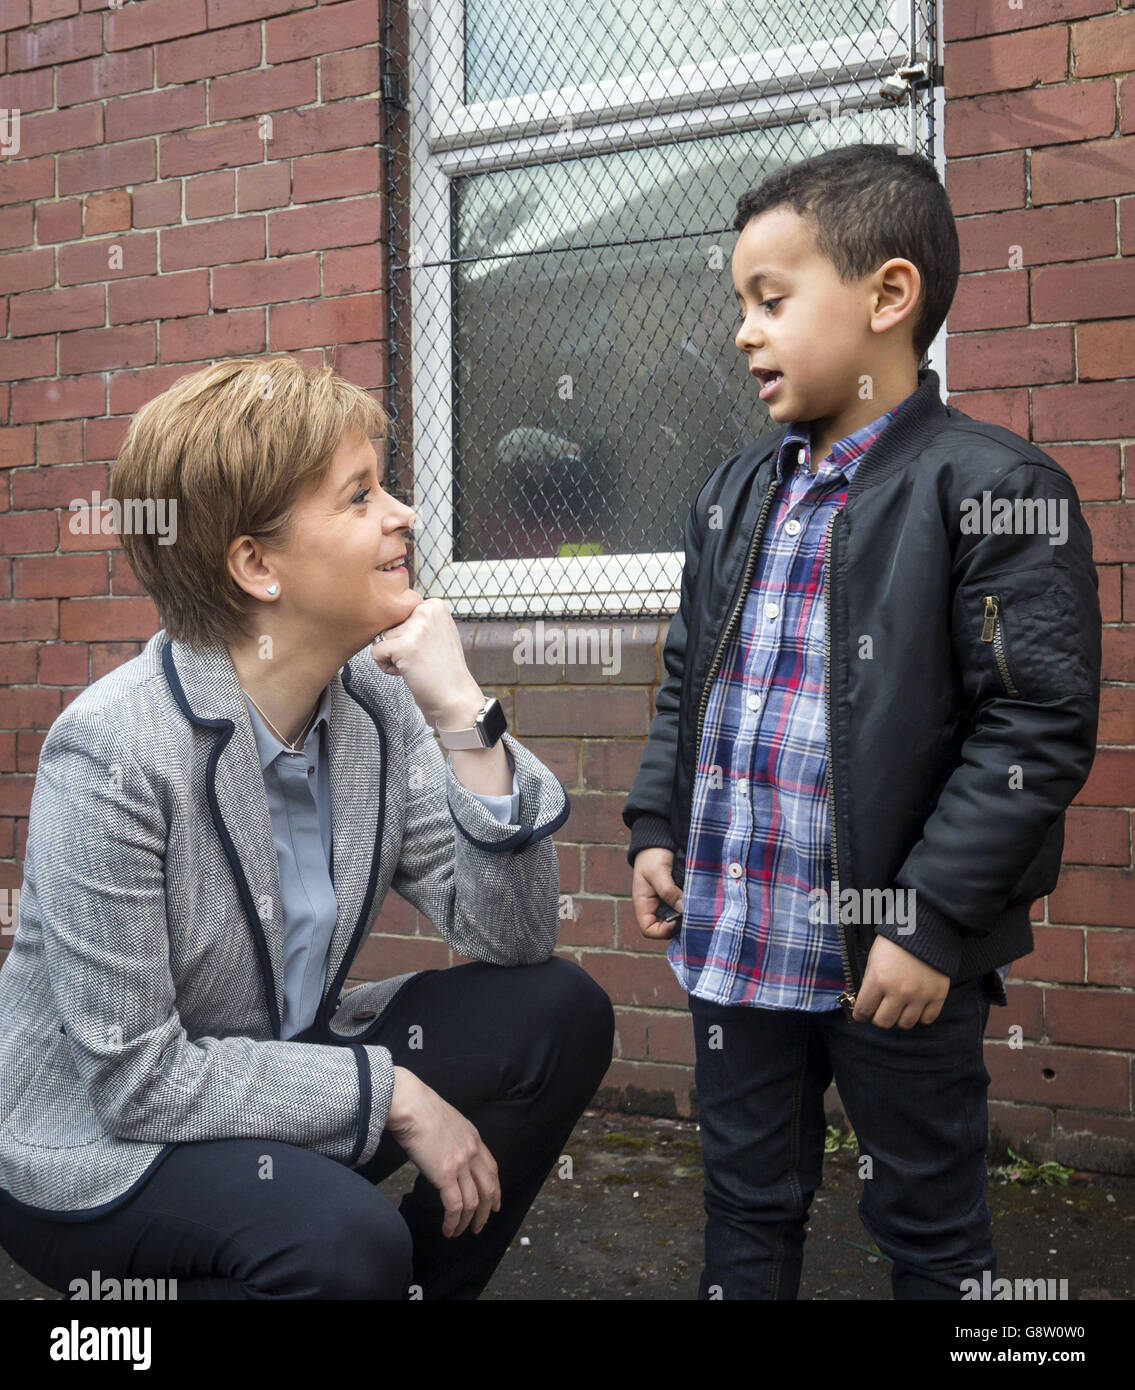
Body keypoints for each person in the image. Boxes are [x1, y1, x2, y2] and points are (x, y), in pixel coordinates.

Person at [0, 356, 614, 1300]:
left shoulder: (370, 703)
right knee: (343, 1246)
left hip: (272, 1079)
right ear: (255, 564)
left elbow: (513, 936)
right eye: (360, 495)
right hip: (104, 1147)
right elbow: (137, 1080)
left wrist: (461, 708)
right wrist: (392, 1094)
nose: (403, 513)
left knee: (558, 1013)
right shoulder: (112, 753)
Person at [622, 143, 1101, 1300]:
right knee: (743, 1199)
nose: (742, 330)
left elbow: (1032, 728)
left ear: (889, 296)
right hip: (735, 937)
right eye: (739, 302)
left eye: (770, 300)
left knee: (927, 1226)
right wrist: (654, 821)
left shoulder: (992, 487)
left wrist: (929, 919)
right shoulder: (735, 491)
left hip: (890, 959)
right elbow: (690, 676)